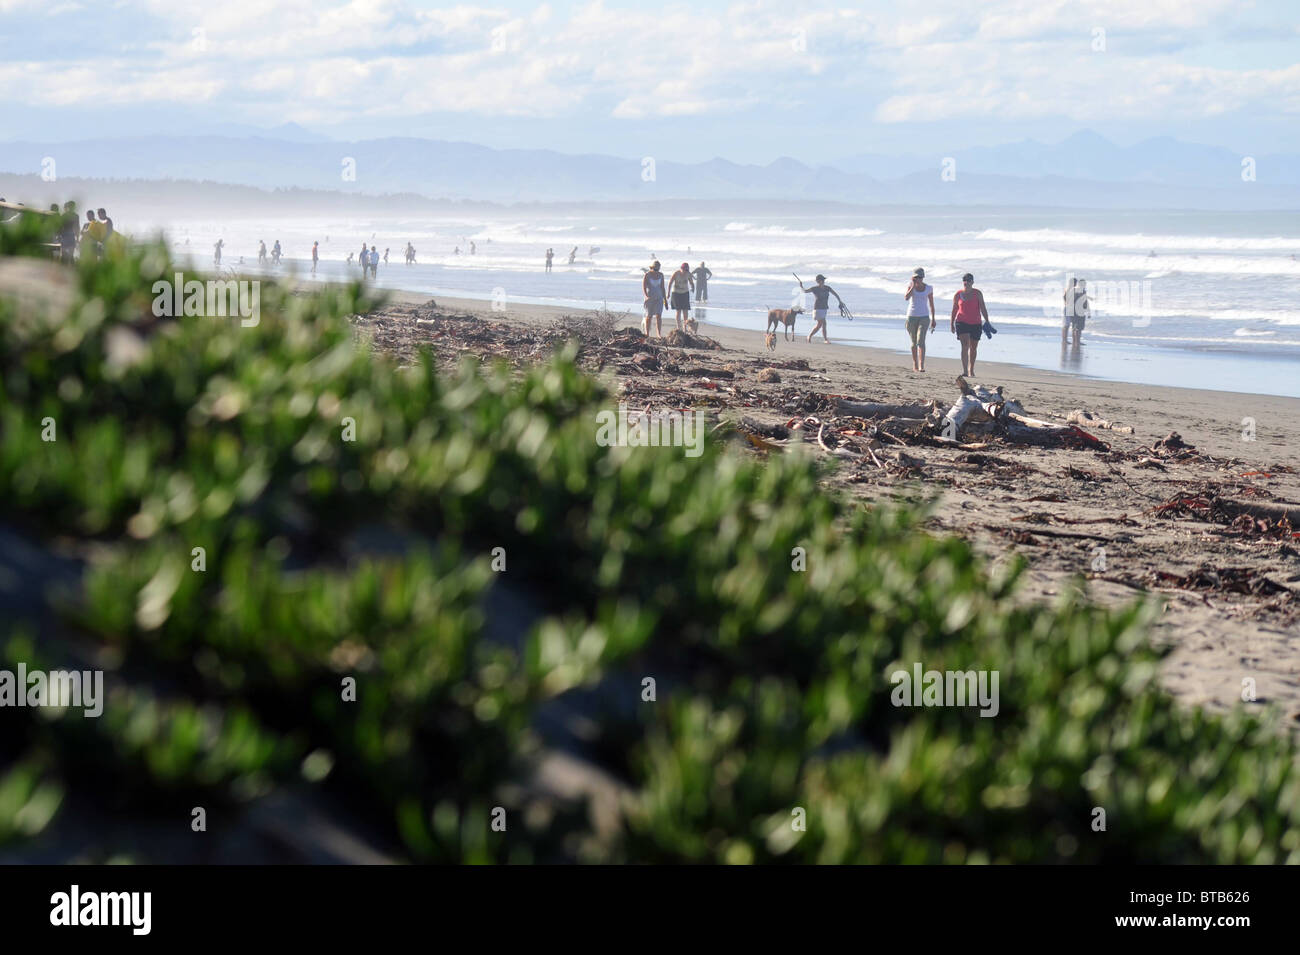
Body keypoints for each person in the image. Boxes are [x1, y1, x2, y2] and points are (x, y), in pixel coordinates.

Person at [950, 273, 989, 377]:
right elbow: (954, 309)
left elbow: (983, 308)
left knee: (973, 348)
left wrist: (987, 321)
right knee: (965, 345)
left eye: (968, 280)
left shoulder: (977, 293)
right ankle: (965, 371)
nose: (966, 282)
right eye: (964, 280)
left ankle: (971, 369)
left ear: (972, 282)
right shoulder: (958, 294)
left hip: (976, 323)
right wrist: (952, 324)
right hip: (961, 322)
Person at [904, 267, 936, 372]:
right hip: (911, 316)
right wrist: (913, 286)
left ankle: (921, 365)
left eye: (920, 277)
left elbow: (931, 304)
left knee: (921, 341)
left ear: (923, 277)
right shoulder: (911, 286)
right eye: (916, 277)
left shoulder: (929, 288)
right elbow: (906, 298)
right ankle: (915, 364)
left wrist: (933, 319)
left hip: (924, 317)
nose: (918, 279)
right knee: (913, 342)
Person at [798, 274, 843, 343]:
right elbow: (805, 291)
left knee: (821, 325)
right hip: (817, 309)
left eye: (823, 280)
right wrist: (801, 286)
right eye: (822, 280)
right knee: (822, 323)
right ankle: (822, 339)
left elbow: (835, 294)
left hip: (824, 309)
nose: (823, 281)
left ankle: (813, 337)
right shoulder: (814, 288)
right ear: (818, 281)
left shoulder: (827, 288)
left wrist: (840, 301)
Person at [642, 260, 668, 338]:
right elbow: (643, 287)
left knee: (658, 315)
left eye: (658, 268)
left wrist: (665, 300)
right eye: (655, 268)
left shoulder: (661, 275)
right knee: (649, 316)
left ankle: (658, 334)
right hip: (649, 298)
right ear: (652, 267)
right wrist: (646, 296)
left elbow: (663, 288)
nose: (656, 270)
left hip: (659, 298)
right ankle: (647, 333)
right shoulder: (647, 275)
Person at [668, 262, 694, 330]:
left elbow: (691, 283)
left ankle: (684, 327)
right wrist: (668, 293)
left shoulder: (688, 274)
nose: (685, 271)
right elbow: (670, 283)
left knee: (685, 310)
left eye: (687, 270)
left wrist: (692, 287)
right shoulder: (676, 273)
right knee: (678, 311)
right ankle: (678, 327)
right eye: (685, 270)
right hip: (676, 293)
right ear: (681, 268)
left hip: (685, 293)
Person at [1066, 278, 1090, 347]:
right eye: (1084, 284)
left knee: (1075, 327)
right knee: (1078, 328)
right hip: (1077, 311)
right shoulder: (1079, 291)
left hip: (1075, 311)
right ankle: (1077, 342)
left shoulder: (1076, 290)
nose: (1085, 285)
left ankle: (1075, 342)